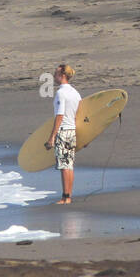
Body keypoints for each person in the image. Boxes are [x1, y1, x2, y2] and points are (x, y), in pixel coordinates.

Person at [43, 63, 81, 204]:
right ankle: (68, 195)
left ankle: (66, 197)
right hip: (72, 131)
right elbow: (79, 114)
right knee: (69, 165)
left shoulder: (61, 93)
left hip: (63, 131)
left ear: (62, 75)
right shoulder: (75, 93)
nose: (54, 76)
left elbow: (59, 115)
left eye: (56, 73)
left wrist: (52, 137)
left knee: (64, 166)